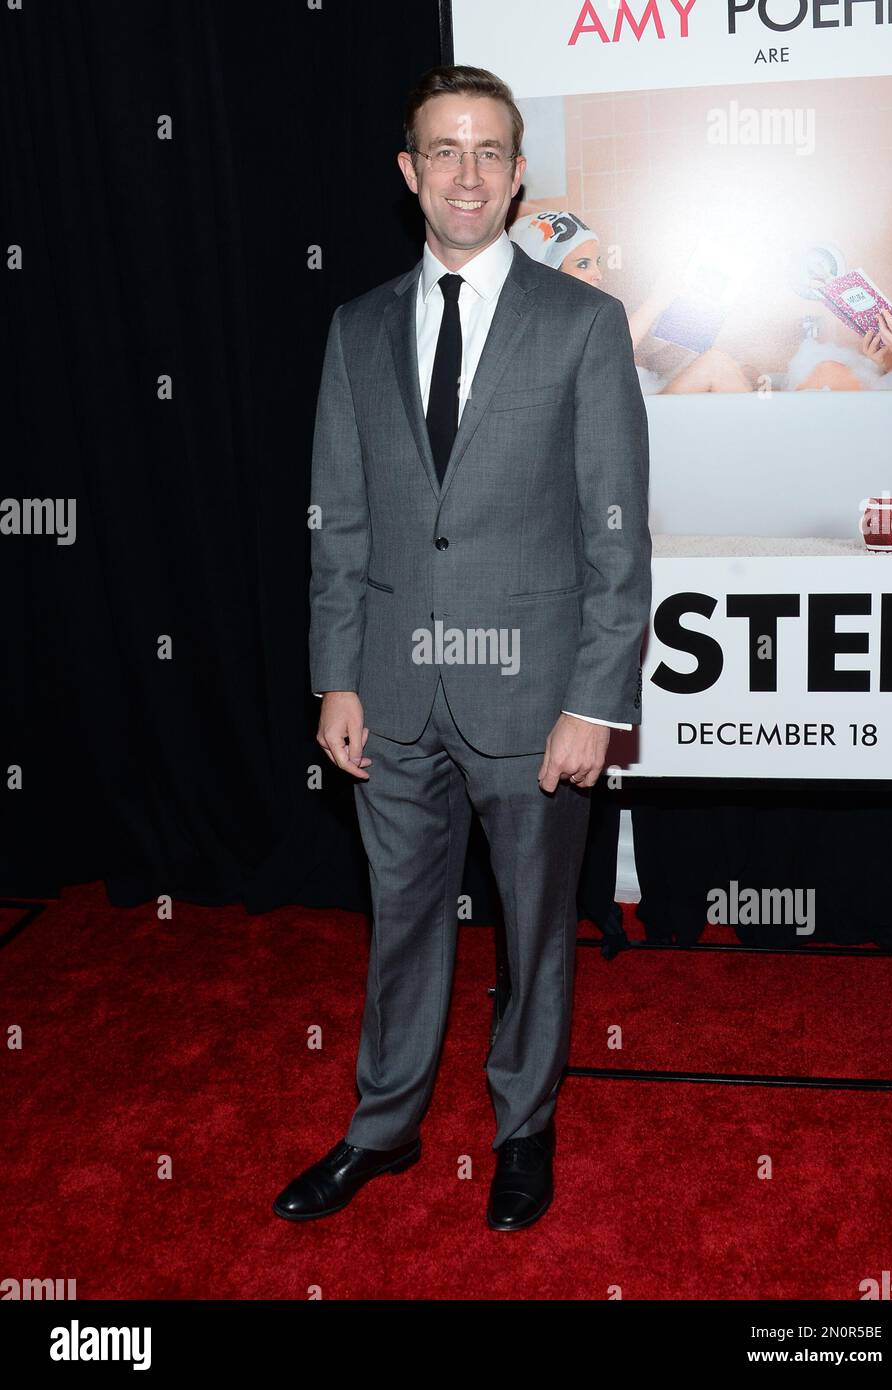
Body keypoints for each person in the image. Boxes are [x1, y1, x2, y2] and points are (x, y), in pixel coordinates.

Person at [273, 65, 651, 1232]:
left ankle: (522, 1129)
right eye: (444, 150)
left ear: (520, 170)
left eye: (490, 151)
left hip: (535, 699)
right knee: (400, 925)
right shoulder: (356, 327)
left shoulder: (583, 323)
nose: (467, 174)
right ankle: (381, 1127)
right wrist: (335, 673)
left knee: (536, 934)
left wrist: (595, 698)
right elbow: (338, 515)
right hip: (390, 692)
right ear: (408, 172)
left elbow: (616, 527)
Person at [508, 211, 753, 394]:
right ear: (547, 273)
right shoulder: (534, 334)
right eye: (583, 264)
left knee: (717, 359)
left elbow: (629, 360)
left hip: (649, 415)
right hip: (635, 435)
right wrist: (658, 299)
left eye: (597, 262)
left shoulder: (583, 322)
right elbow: (606, 359)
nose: (598, 274)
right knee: (715, 365)